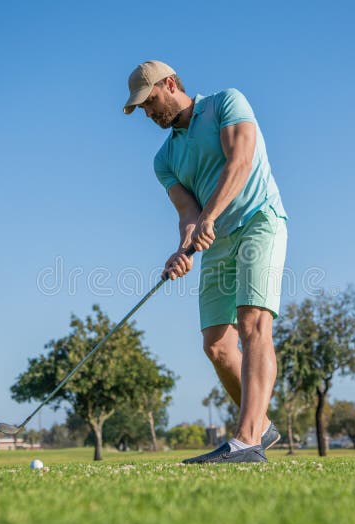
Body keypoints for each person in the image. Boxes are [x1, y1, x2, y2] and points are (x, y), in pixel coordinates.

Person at [123, 61, 288, 463]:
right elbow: (187, 212)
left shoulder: (225, 104)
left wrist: (209, 219)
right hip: (216, 243)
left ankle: (246, 440)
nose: (147, 112)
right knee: (216, 345)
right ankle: (261, 426)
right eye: (141, 108)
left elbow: (240, 162)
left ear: (170, 83)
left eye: (150, 101)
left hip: (257, 223)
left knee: (253, 324)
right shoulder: (164, 158)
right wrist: (183, 248)